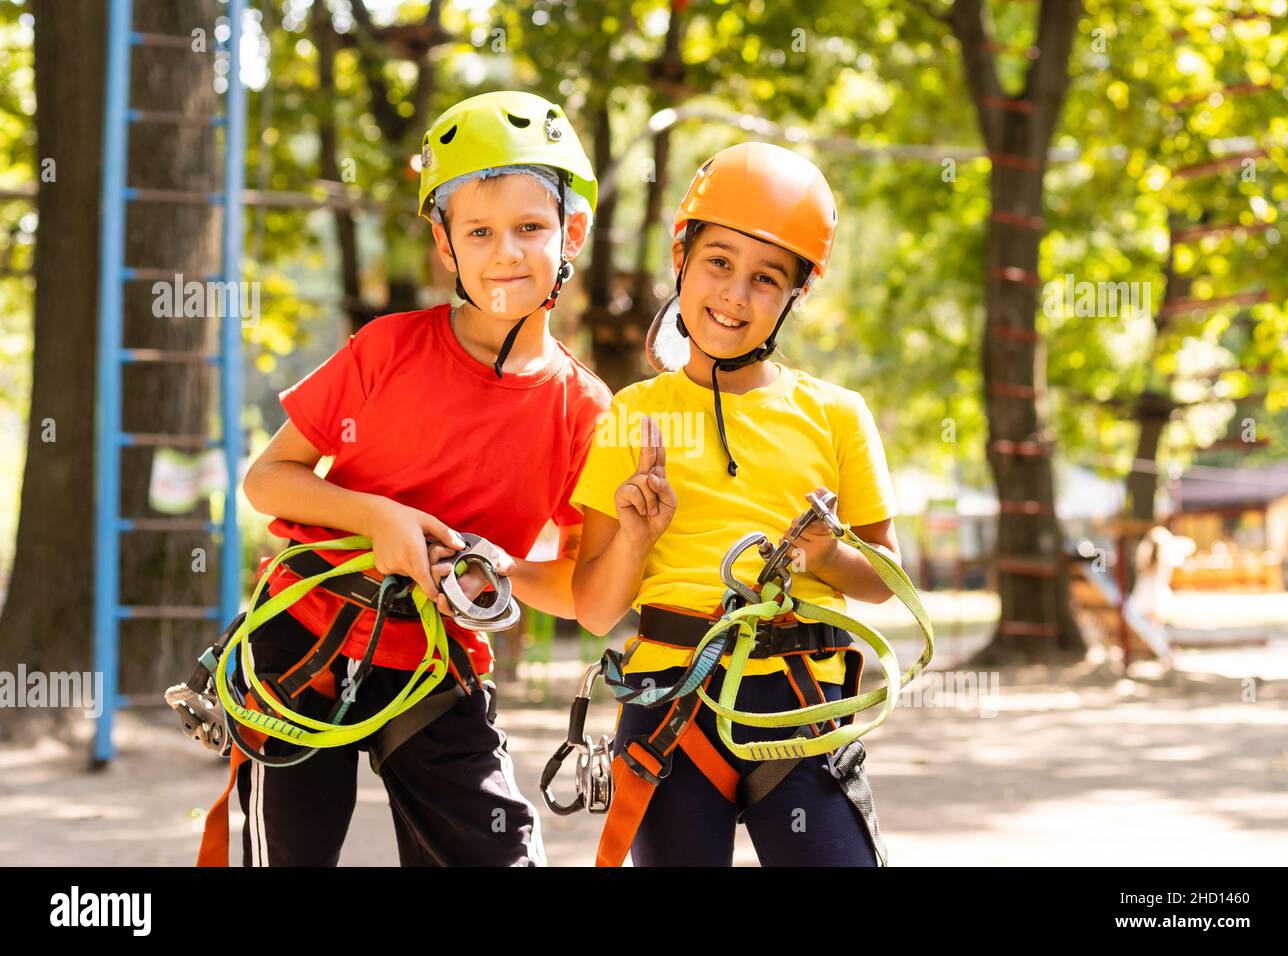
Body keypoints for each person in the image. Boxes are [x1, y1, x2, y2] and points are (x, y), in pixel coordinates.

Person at [197, 90, 611, 867]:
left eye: (530, 227)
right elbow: (270, 480)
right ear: (445, 245)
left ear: (572, 233)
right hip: (306, 637)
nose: (505, 253)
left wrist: (497, 569)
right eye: (479, 232)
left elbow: (581, 590)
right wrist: (376, 516)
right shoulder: (386, 350)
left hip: (437, 661)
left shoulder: (585, 412)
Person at [570, 141, 900, 866]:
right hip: (669, 709)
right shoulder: (632, 415)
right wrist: (632, 538)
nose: (735, 295)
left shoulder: (837, 415)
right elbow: (594, 610)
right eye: (719, 262)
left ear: (795, 296)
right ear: (680, 256)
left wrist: (827, 552)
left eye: (766, 278)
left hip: (800, 708)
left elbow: (882, 582)